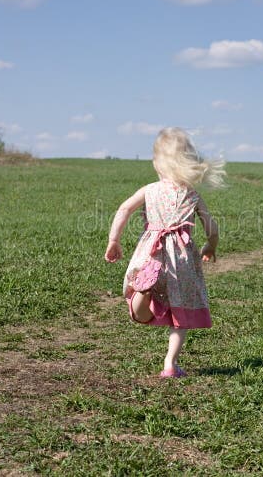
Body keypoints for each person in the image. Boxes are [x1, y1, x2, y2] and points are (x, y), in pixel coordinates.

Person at [104, 127, 225, 378]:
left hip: (151, 254)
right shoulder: (191, 194)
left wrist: (113, 240)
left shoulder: (149, 190)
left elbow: (124, 209)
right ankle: (170, 363)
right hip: (180, 260)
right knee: (179, 315)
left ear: (158, 164)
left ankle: (142, 293)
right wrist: (209, 246)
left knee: (142, 313)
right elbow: (212, 227)